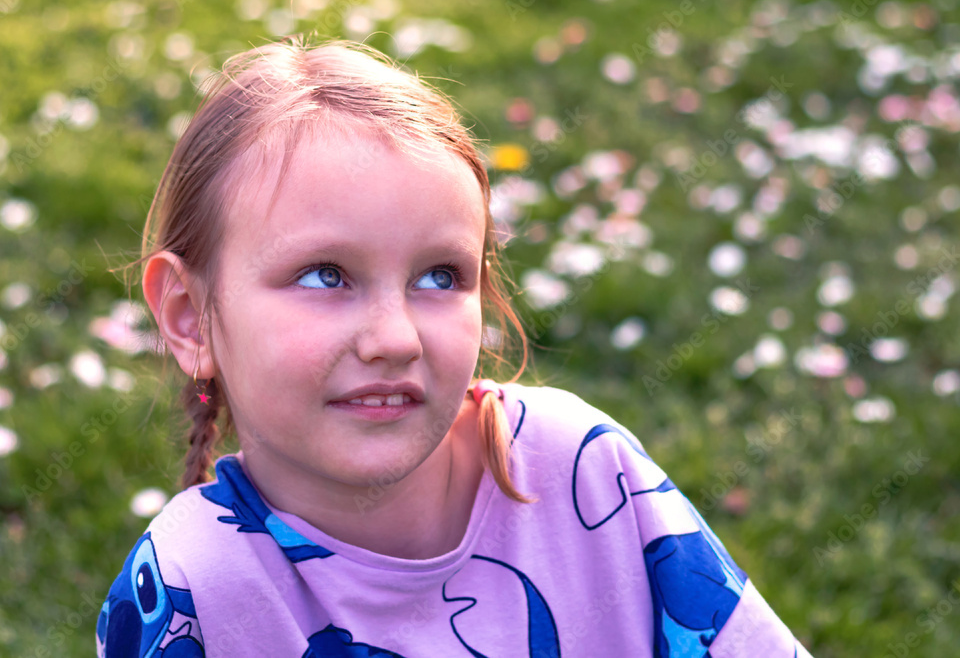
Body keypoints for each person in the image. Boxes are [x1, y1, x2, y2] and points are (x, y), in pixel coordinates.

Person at [97, 35, 812, 657]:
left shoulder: (582, 470)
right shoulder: (193, 592)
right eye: (326, 275)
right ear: (191, 316)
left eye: (439, 276)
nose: (394, 338)